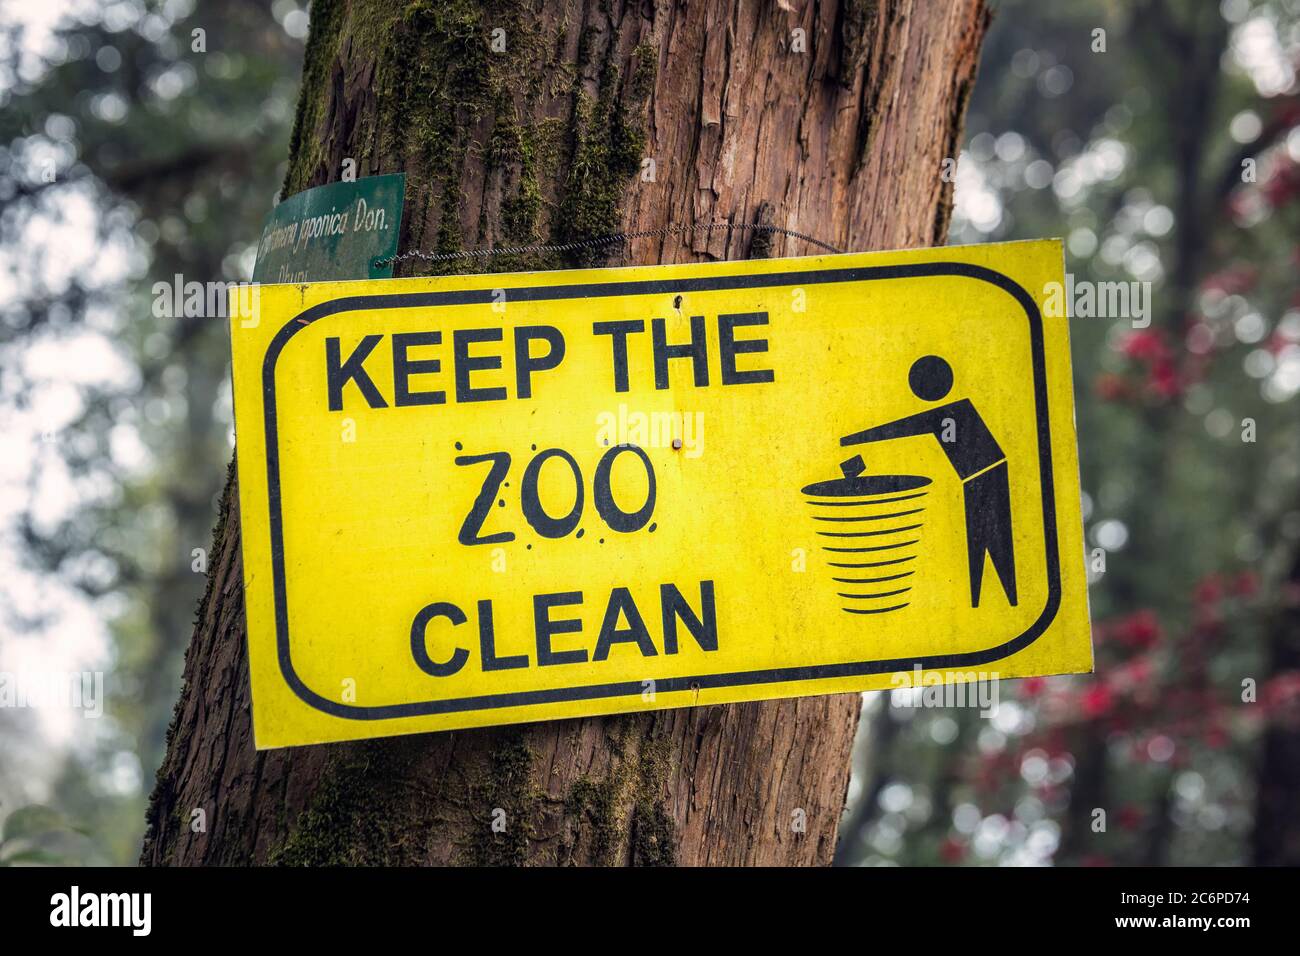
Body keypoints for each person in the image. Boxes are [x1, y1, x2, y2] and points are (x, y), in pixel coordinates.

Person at [840, 355, 1017, 608]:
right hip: (976, 480)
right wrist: (851, 440)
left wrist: (850, 440)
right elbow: (904, 428)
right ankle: (987, 602)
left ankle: (1005, 601)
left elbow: (904, 427)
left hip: (988, 478)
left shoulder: (953, 413)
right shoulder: (952, 413)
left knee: (993, 548)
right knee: (980, 547)